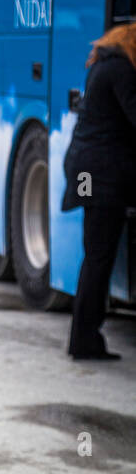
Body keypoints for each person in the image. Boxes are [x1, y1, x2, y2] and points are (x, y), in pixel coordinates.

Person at [62, 22, 136, 360]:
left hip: (85, 169)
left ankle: (84, 337)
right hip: (100, 173)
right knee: (98, 257)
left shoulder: (100, 66)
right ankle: (84, 340)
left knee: (95, 254)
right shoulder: (121, 70)